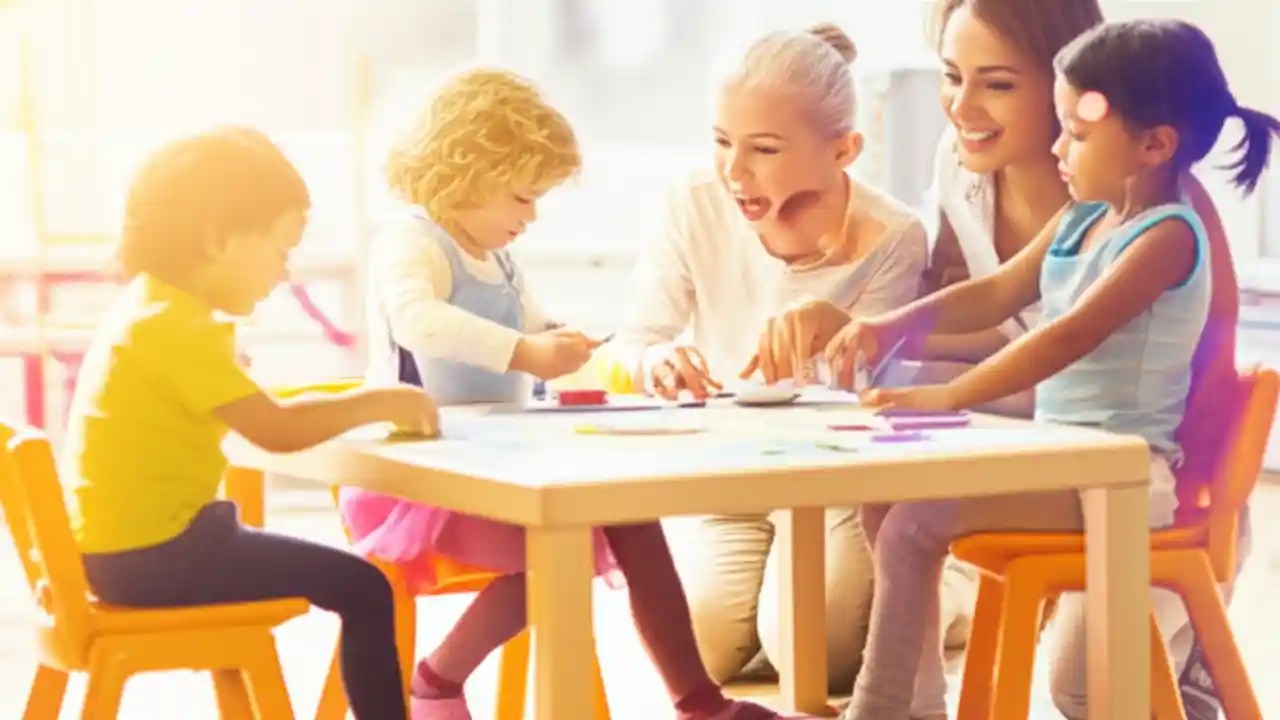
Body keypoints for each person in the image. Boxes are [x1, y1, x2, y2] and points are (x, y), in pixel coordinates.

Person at [760, 2, 1252, 716]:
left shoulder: (1166, 237)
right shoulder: (1083, 214)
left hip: (1120, 475)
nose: (1059, 149)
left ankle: (887, 706)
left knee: (1060, 667)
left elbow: (1059, 338)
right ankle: (910, 702)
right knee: (890, 503)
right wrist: (883, 329)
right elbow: (991, 295)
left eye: (1077, 134)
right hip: (1062, 456)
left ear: (1153, 146)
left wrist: (947, 396)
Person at [341, 67, 798, 720]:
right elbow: (420, 321)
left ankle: (700, 702)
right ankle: (437, 679)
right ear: (463, 176)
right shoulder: (412, 245)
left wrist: (568, 345)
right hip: (428, 468)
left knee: (631, 515)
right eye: (522, 198)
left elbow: (531, 329)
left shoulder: (498, 258)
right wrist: (528, 353)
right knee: (555, 553)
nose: (531, 216)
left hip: (496, 452)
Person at [604, 23, 976, 691]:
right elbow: (630, 341)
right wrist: (657, 358)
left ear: (844, 149)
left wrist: (832, 342)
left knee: (817, 650)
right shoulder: (693, 204)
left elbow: (879, 389)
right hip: (729, 480)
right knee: (703, 653)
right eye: (721, 142)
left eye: (764, 150)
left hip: (836, 486)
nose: (733, 171)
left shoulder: (892, 236)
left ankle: (949, 591)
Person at [63, 127, 441, 720]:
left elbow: (258, 408)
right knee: (366, 589)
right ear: (218, 239)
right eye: (280, 249)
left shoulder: (152, 309)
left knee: (352, 582)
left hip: (124, 553)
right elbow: (276, 430)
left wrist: (366, 395)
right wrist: (381, 403)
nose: (283, 273)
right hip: (156, 557)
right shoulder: (177, 327)